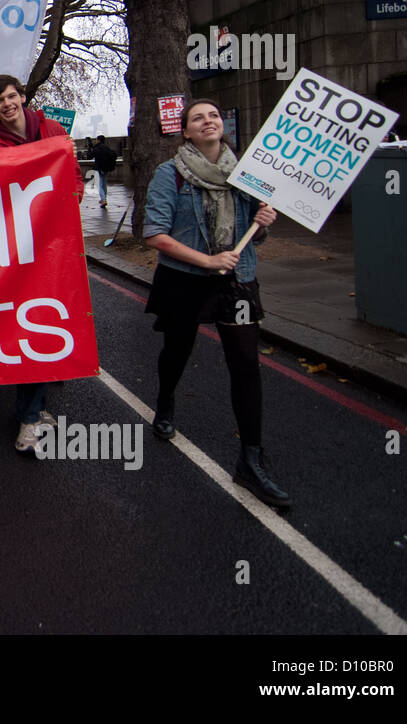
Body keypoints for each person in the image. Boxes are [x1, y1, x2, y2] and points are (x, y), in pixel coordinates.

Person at [143, 98, 289, 508]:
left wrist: (262, 226)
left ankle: (251, 459)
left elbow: (253, 236)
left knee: (245, 365)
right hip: (185, 281)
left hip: (236, 282)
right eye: (197, 118)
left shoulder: (246, 176)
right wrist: (207, 259)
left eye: (213, 116)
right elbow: (155, 234)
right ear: (185, 131)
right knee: (176, 350)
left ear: (221, 126)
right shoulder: (168, 175)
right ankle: (166, 399)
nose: (208, 122)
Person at [0, 74, 84, 453]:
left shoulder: (53, 129)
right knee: (28, 324)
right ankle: (29, 416)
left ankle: (34, 407)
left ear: (22, 98)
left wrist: (69, 204)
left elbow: (72, 176)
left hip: (55, 244)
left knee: (48, 322)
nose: (7, 105)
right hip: (19, 251)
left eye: (11, 97)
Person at [91, 134, 118, 208]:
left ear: (98, 140)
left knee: (99, 185)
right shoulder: (107, 148)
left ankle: (103, 200)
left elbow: (90, 155)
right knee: (104, 184)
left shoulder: (97, 148)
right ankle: (104, 199)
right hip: (106, 168)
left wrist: (91, 147)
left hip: (100, 168)